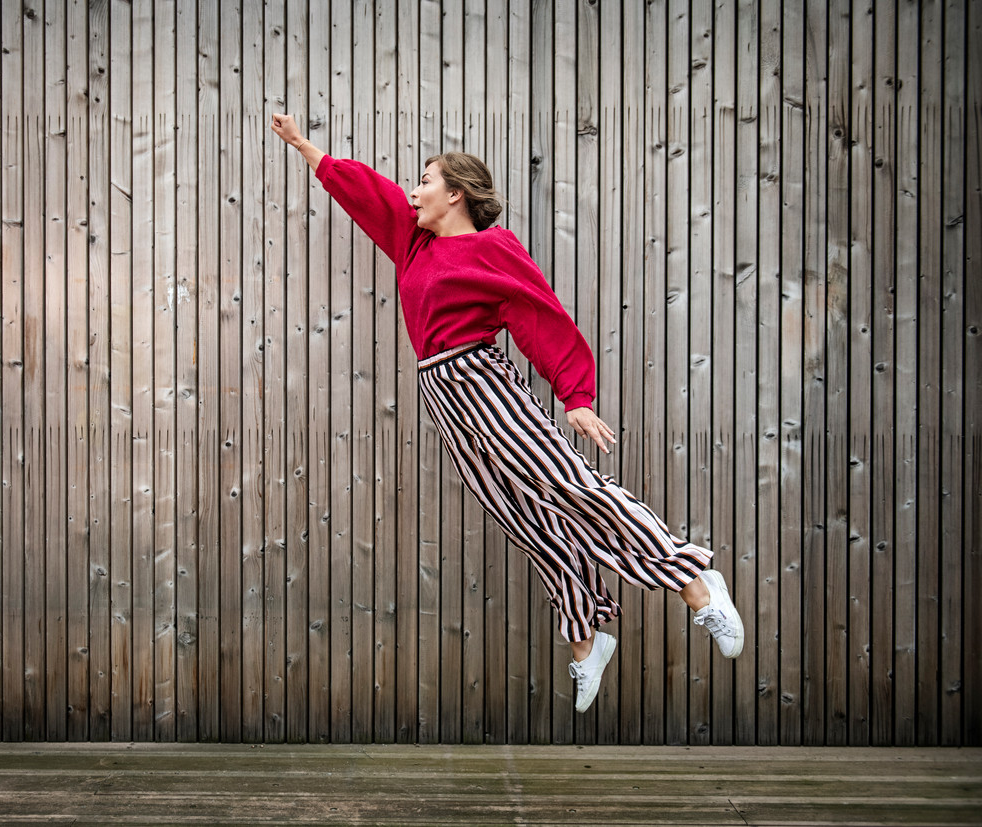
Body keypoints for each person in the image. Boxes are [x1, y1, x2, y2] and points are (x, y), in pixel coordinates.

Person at [270, 113, 744, 713]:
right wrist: (303, 145)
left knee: (570, 489)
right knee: (523, 518)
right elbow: (366, 192)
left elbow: (538, 314)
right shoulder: (413, 241)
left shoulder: (494, 248)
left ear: (455, 193)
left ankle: (696, 586)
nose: (412, 191)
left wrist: (575, 396)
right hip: (441, 394)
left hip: (482, 381)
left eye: (424, 181)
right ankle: (586, 638)